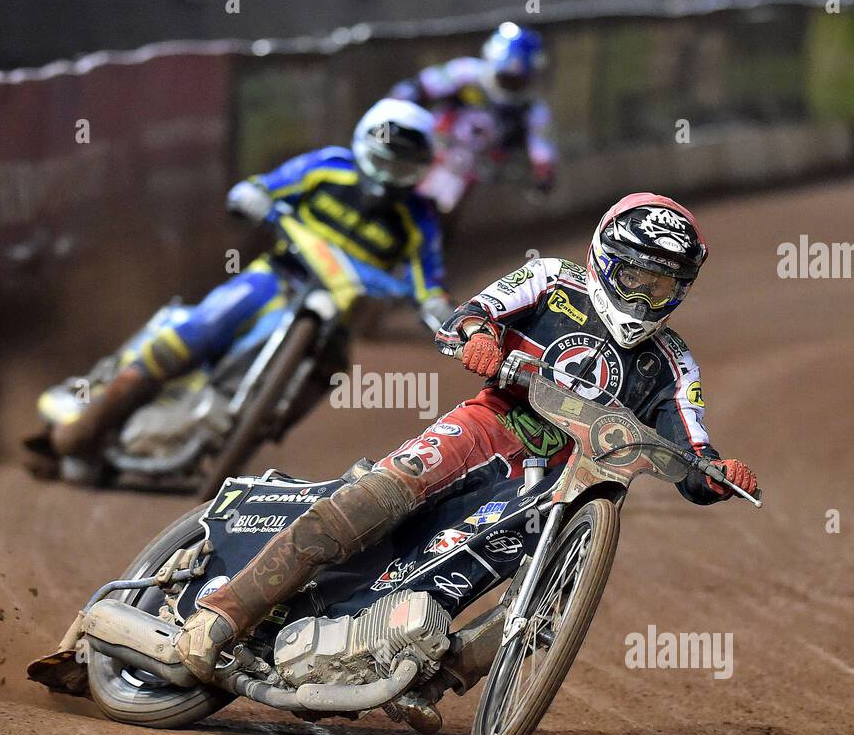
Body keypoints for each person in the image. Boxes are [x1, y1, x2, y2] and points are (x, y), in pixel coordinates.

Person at [170, 192, 759, 684]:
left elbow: (691, 448)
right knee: (370, 501)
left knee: (543, 614)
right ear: (605, 258)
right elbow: (473, 314)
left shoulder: (675, 363)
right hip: (488, 427)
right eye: (635, 275)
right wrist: (478, 336)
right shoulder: (553, 280)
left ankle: (422, 677)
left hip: (567, 485)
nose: (644, 295)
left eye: (661, 285)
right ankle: (220, 617)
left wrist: (717, 473)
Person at [50, 98, 451, 458]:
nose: (385, 178)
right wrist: (254, 196)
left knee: (332, 371)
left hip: (339, 315)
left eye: (400, 170)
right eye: (382, 161)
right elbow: (268, 185)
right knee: (205, 325)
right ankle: (98, 412)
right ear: (364, 148)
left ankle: (259, 427)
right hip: (278, 277)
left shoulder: (419, 219)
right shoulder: (329, 168)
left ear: (418, 173)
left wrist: (439, 311)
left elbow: (428, 279)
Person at [390, 21, 557, 195]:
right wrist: (397, 112)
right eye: (505, 78)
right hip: (431, 147)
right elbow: (419, 87)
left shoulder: (532, 110)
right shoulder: (465, 73)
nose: (510, 86)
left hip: (473, 172)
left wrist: (543, 176)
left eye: (517, 81)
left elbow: (542, 152)